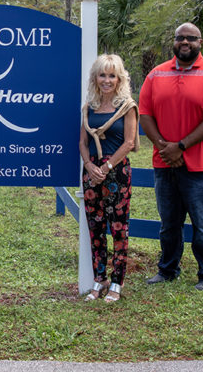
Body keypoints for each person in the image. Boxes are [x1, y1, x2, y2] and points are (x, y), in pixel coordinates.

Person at [138, 23, 203, 291]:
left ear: (200, 42)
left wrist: (181, 146)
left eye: (191, 38)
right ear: (174, 41)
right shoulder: (156, 75)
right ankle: (167, 270)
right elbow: (145, 114)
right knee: (169, 223)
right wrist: (165, 148)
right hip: (165, 163)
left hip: (202, 165)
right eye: (180, 38)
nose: (185, 42)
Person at [79, 54, 139, 303]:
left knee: (118, 228)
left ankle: (117, 281)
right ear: (96, 78)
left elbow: (129, 142)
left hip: (117, 172)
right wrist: (90, 165)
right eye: (102, 75)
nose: (107, 80)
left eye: (112, 75)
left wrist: (107, 167)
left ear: (119, 79)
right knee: (95, 228)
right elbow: (82, 142)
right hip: (92, 174)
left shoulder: (127, 106)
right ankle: (99, 278)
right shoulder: (88, 108)